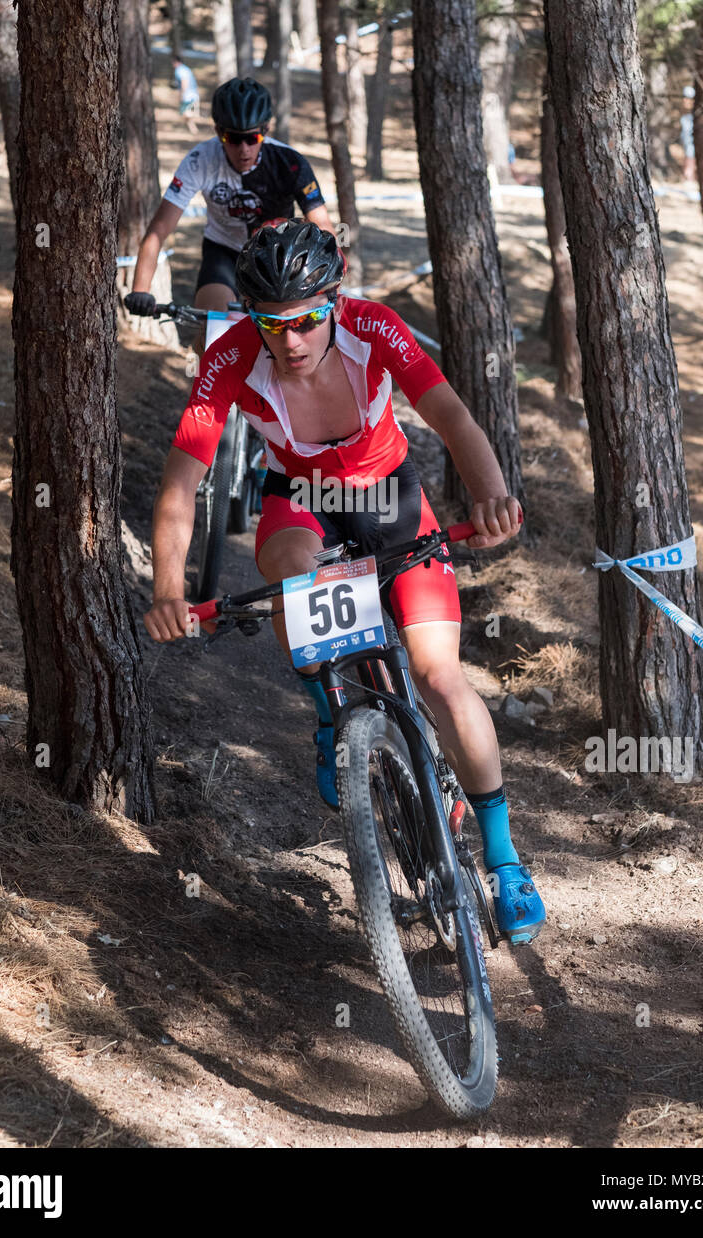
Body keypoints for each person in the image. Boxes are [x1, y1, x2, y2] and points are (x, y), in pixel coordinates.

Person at [143, 219, 546, 946]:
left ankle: (506, 860)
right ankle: (333, 716)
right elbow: (182, 476)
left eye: (303, 322)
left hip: (389, 497)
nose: (288, 342)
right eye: (272, 325)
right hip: (299, 501)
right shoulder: (234, 354)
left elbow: (449, 414)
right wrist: (168, 587)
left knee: (439, 677)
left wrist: (487, 493)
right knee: (293, 575)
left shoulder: (373, 327)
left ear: (332, 302)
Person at [125, 77, 336, 351]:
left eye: (252, 138)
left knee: (286, 341)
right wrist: (141, 289)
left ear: (266, 130)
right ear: (217, 131)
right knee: (213, 334)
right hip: (223, 252)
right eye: (233, 138)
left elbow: (323, 226)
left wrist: (333, 282)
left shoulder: (290, 163)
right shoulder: (200, 160)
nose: (243, 148)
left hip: (278, 259)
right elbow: (158, 231)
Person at [172, 54, 200, 136]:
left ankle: (193, 129)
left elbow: (184, 81)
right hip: (193, 94)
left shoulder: (180, 70)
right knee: (187, 114)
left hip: (188, 95)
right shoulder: (186, 69)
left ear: (176, 62)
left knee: (187, 113)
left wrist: (182, 94)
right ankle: (192, 129)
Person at [681, 84, 696, 183]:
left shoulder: (693, 113)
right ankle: (688, 176)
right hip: (686, 138)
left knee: (691, 156)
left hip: (691, 138)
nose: (685, 100)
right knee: (688, 155)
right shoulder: (684, 113)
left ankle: (689, 176)